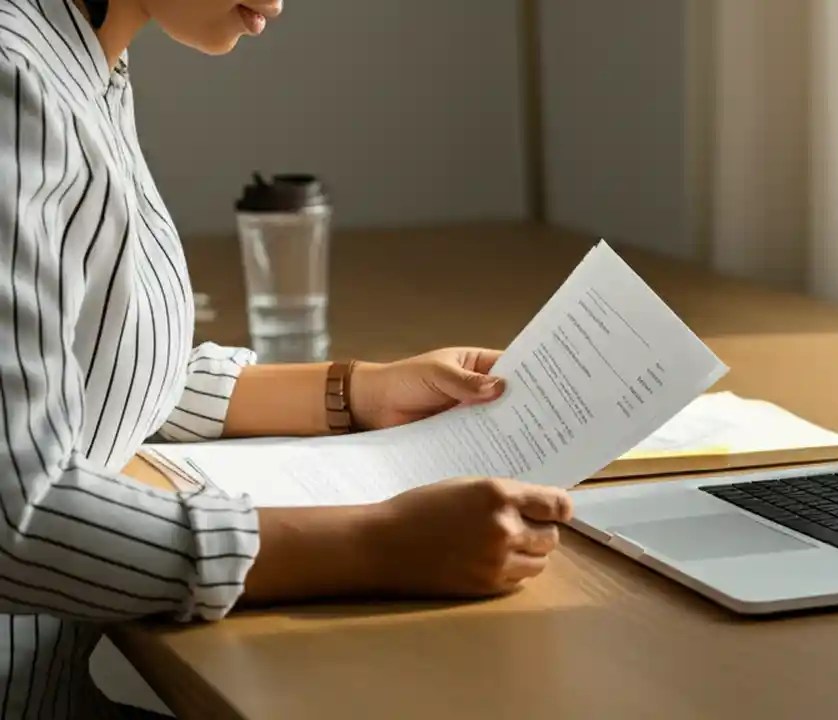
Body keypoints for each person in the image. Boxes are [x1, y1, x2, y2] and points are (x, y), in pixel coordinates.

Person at [0, 0, 573, 716]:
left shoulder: (83, 61)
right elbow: (15, 513)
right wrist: (379, 545)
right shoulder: (15, 82)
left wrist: (357, 392)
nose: (277, 2)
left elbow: (96, 362)